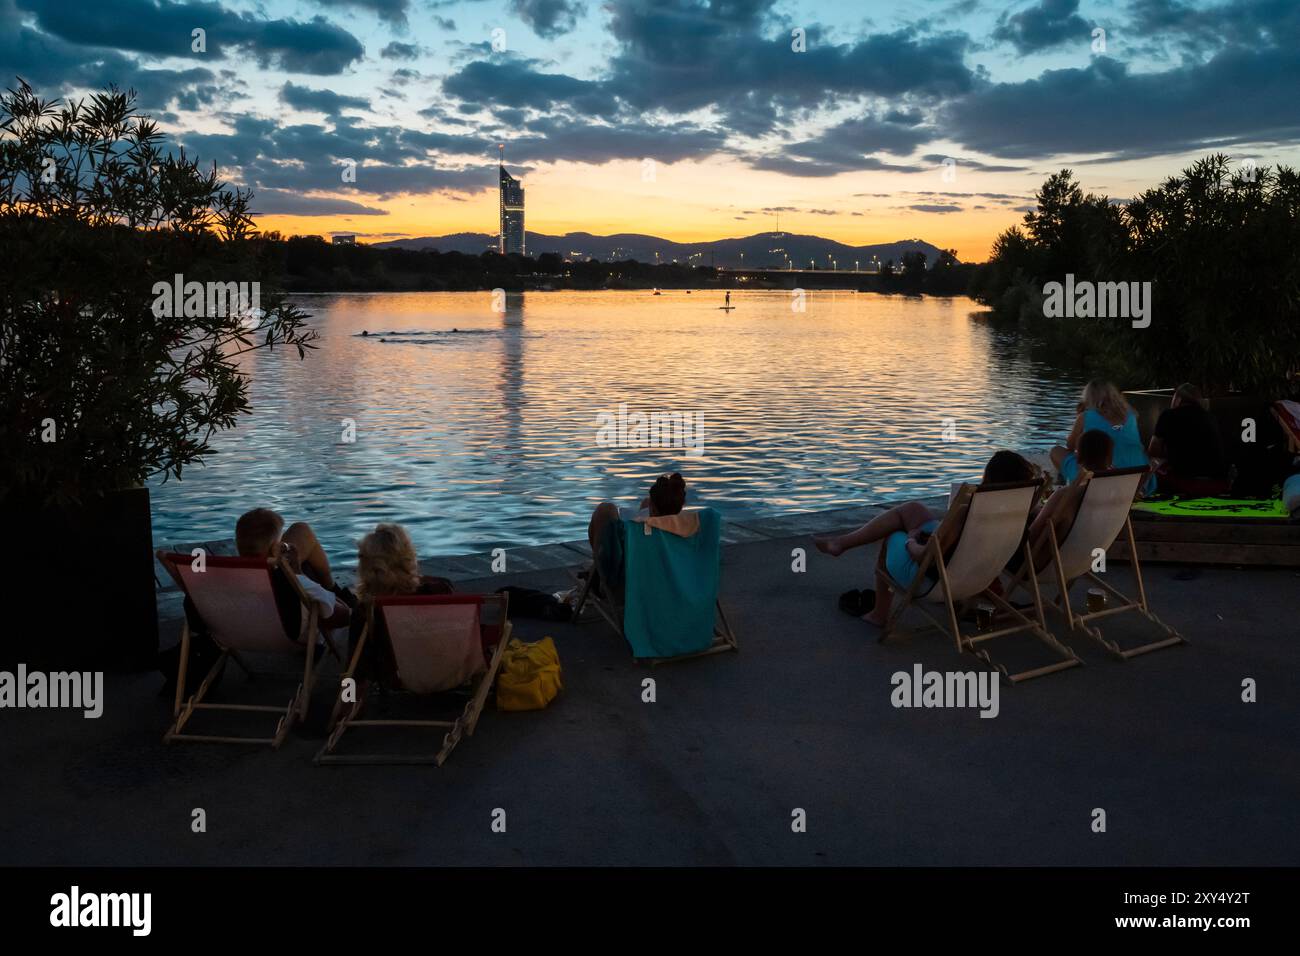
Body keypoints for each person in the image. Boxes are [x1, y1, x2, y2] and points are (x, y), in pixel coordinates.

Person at [813, 451, 1045, 626]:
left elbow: (925, 555)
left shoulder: (969, 512)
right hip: (978, 573)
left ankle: (879, 614)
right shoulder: (1021, 513)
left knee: (893, 534)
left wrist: (910, 541)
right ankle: (840, 543)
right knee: (913, 509)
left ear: (988, 478)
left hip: (938, 580)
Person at [348, 523, 455, 675]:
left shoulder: (366, 612)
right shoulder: (439, 591)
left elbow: (358, 672)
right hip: (448, 670)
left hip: (397, 676)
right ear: (409, 557)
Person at [234, 508, 353, 636]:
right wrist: (298, 573)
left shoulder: (225, 580)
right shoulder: (297, 582)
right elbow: (343, 617)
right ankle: (333, 587)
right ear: (276, 549)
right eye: (282, 542)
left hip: (249, 636)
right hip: (292, 637)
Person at [586, 472, 687, 596]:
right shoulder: (690, 533)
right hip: (677, 586)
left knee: (606, 509)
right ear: (681, 506)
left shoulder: (645, 538)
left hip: (632, 590)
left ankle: (598, 572)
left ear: (654, 509)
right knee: (645, 505)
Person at [1050, 380, 1154, 493]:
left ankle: (1068, 479)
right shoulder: (1130, 414)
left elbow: (1070, 446)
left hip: (1105, 476)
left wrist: (1078, 423)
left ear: (1088, 398)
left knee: (1056, 451)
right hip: (1140, 475)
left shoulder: (1085, 416)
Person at [1148, 383, 1229, 495]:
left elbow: (1153, 451)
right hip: (1216, 482)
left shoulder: (1168, 415)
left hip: (1185, 482)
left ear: (1178, 399)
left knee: (1152, 465)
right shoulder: (1210, 417)